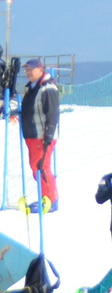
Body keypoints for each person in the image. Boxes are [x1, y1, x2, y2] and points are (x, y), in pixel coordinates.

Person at [11, 58, 60, 211]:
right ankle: (44, 197)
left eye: (31, 69)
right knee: (36, 167)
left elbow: (52, 113)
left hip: (42, 135)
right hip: (32, 135)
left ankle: (50, 201)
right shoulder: (33, 87)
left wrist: (49, 135)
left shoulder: (47, 88)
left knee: (41, 167)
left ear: (40, 69)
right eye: (26, 70)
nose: (28, 73)